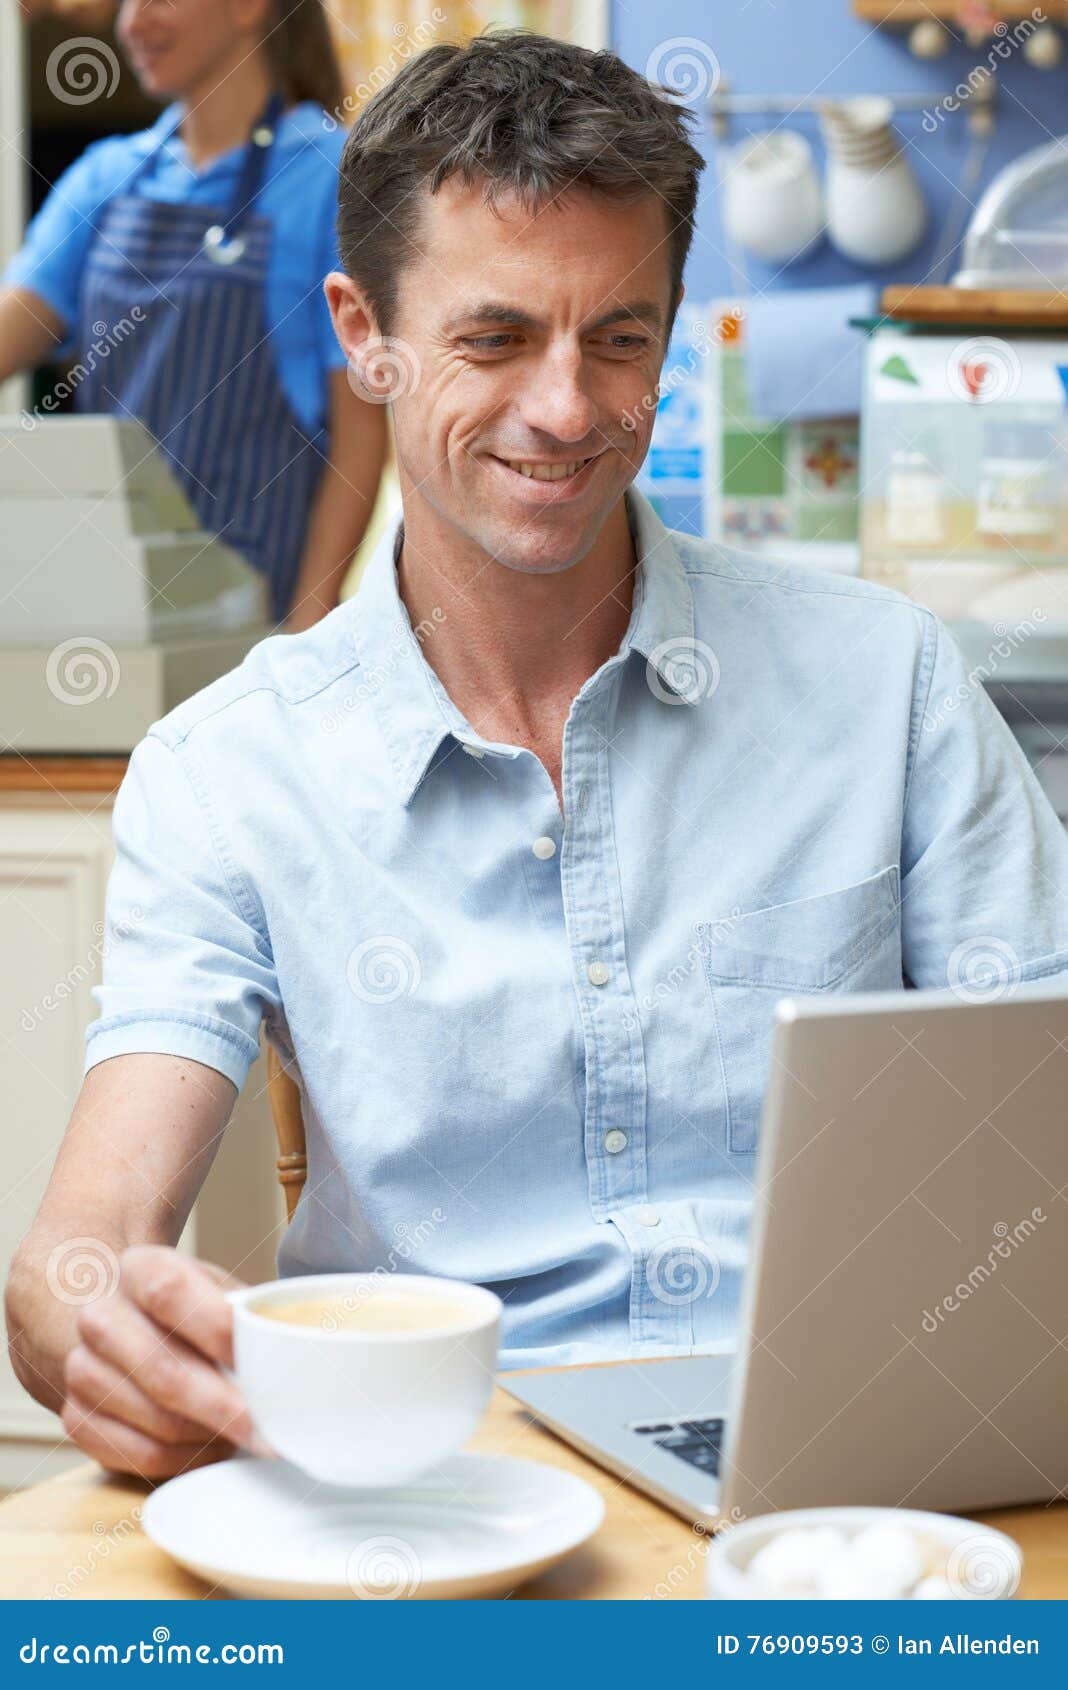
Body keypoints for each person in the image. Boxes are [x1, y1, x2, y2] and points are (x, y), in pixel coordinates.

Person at [7, 29, 1068, 1480]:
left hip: (849, 1467)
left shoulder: (889, 685)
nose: (566, 410)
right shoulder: (226, 771)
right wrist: (95, 1327)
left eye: (619, 338)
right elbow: (81, 1246)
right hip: (436, 1485)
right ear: (363, 333)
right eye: (495, 339)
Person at [0, 0, 387, 629]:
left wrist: (305, 629)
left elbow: (360, 435)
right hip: (110, 610)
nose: (132, 23)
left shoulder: (331, 178)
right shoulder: (107, 178)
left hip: (253, 612)